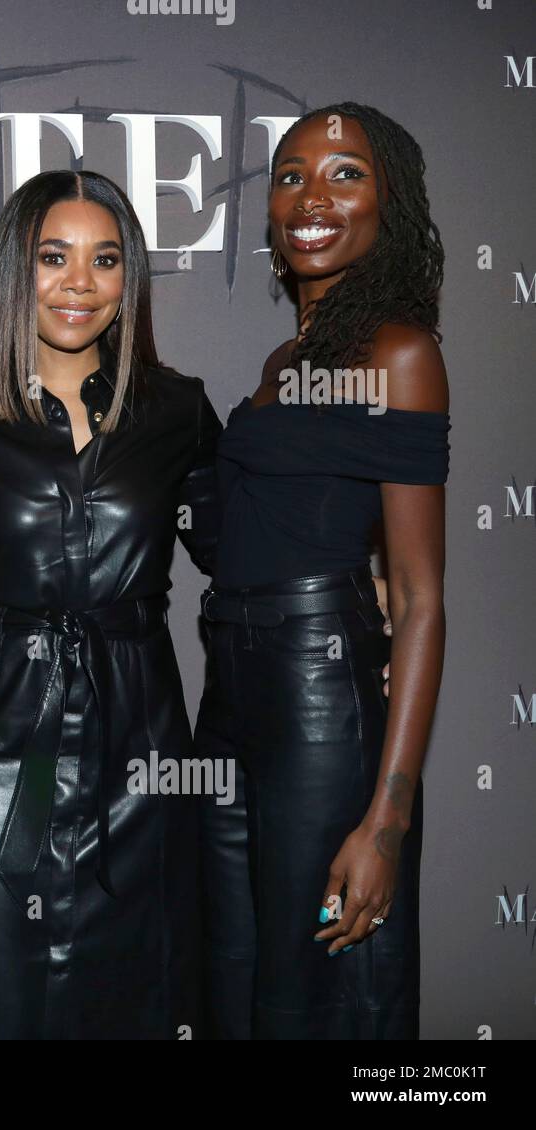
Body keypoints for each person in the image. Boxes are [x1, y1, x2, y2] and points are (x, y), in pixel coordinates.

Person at [0, 170, 221, 1038]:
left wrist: (361, 572)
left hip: (144, 750)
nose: (80, 282)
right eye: (54, 257)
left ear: (129, 281)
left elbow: (242, 555)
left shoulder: (179, 411)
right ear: (17, 271)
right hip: (5, 751)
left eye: (105, 260)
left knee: (141, 996)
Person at [199, 102, 448, 1039]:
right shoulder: (277, 361)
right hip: (230, 693)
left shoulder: (401, 353)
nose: (313, 196)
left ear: (392, 203)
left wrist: (386, 822)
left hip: (319, 698)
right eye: (293, 174)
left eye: (346, 174)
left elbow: (421, 600)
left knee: (318, 985)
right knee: (235, 967)